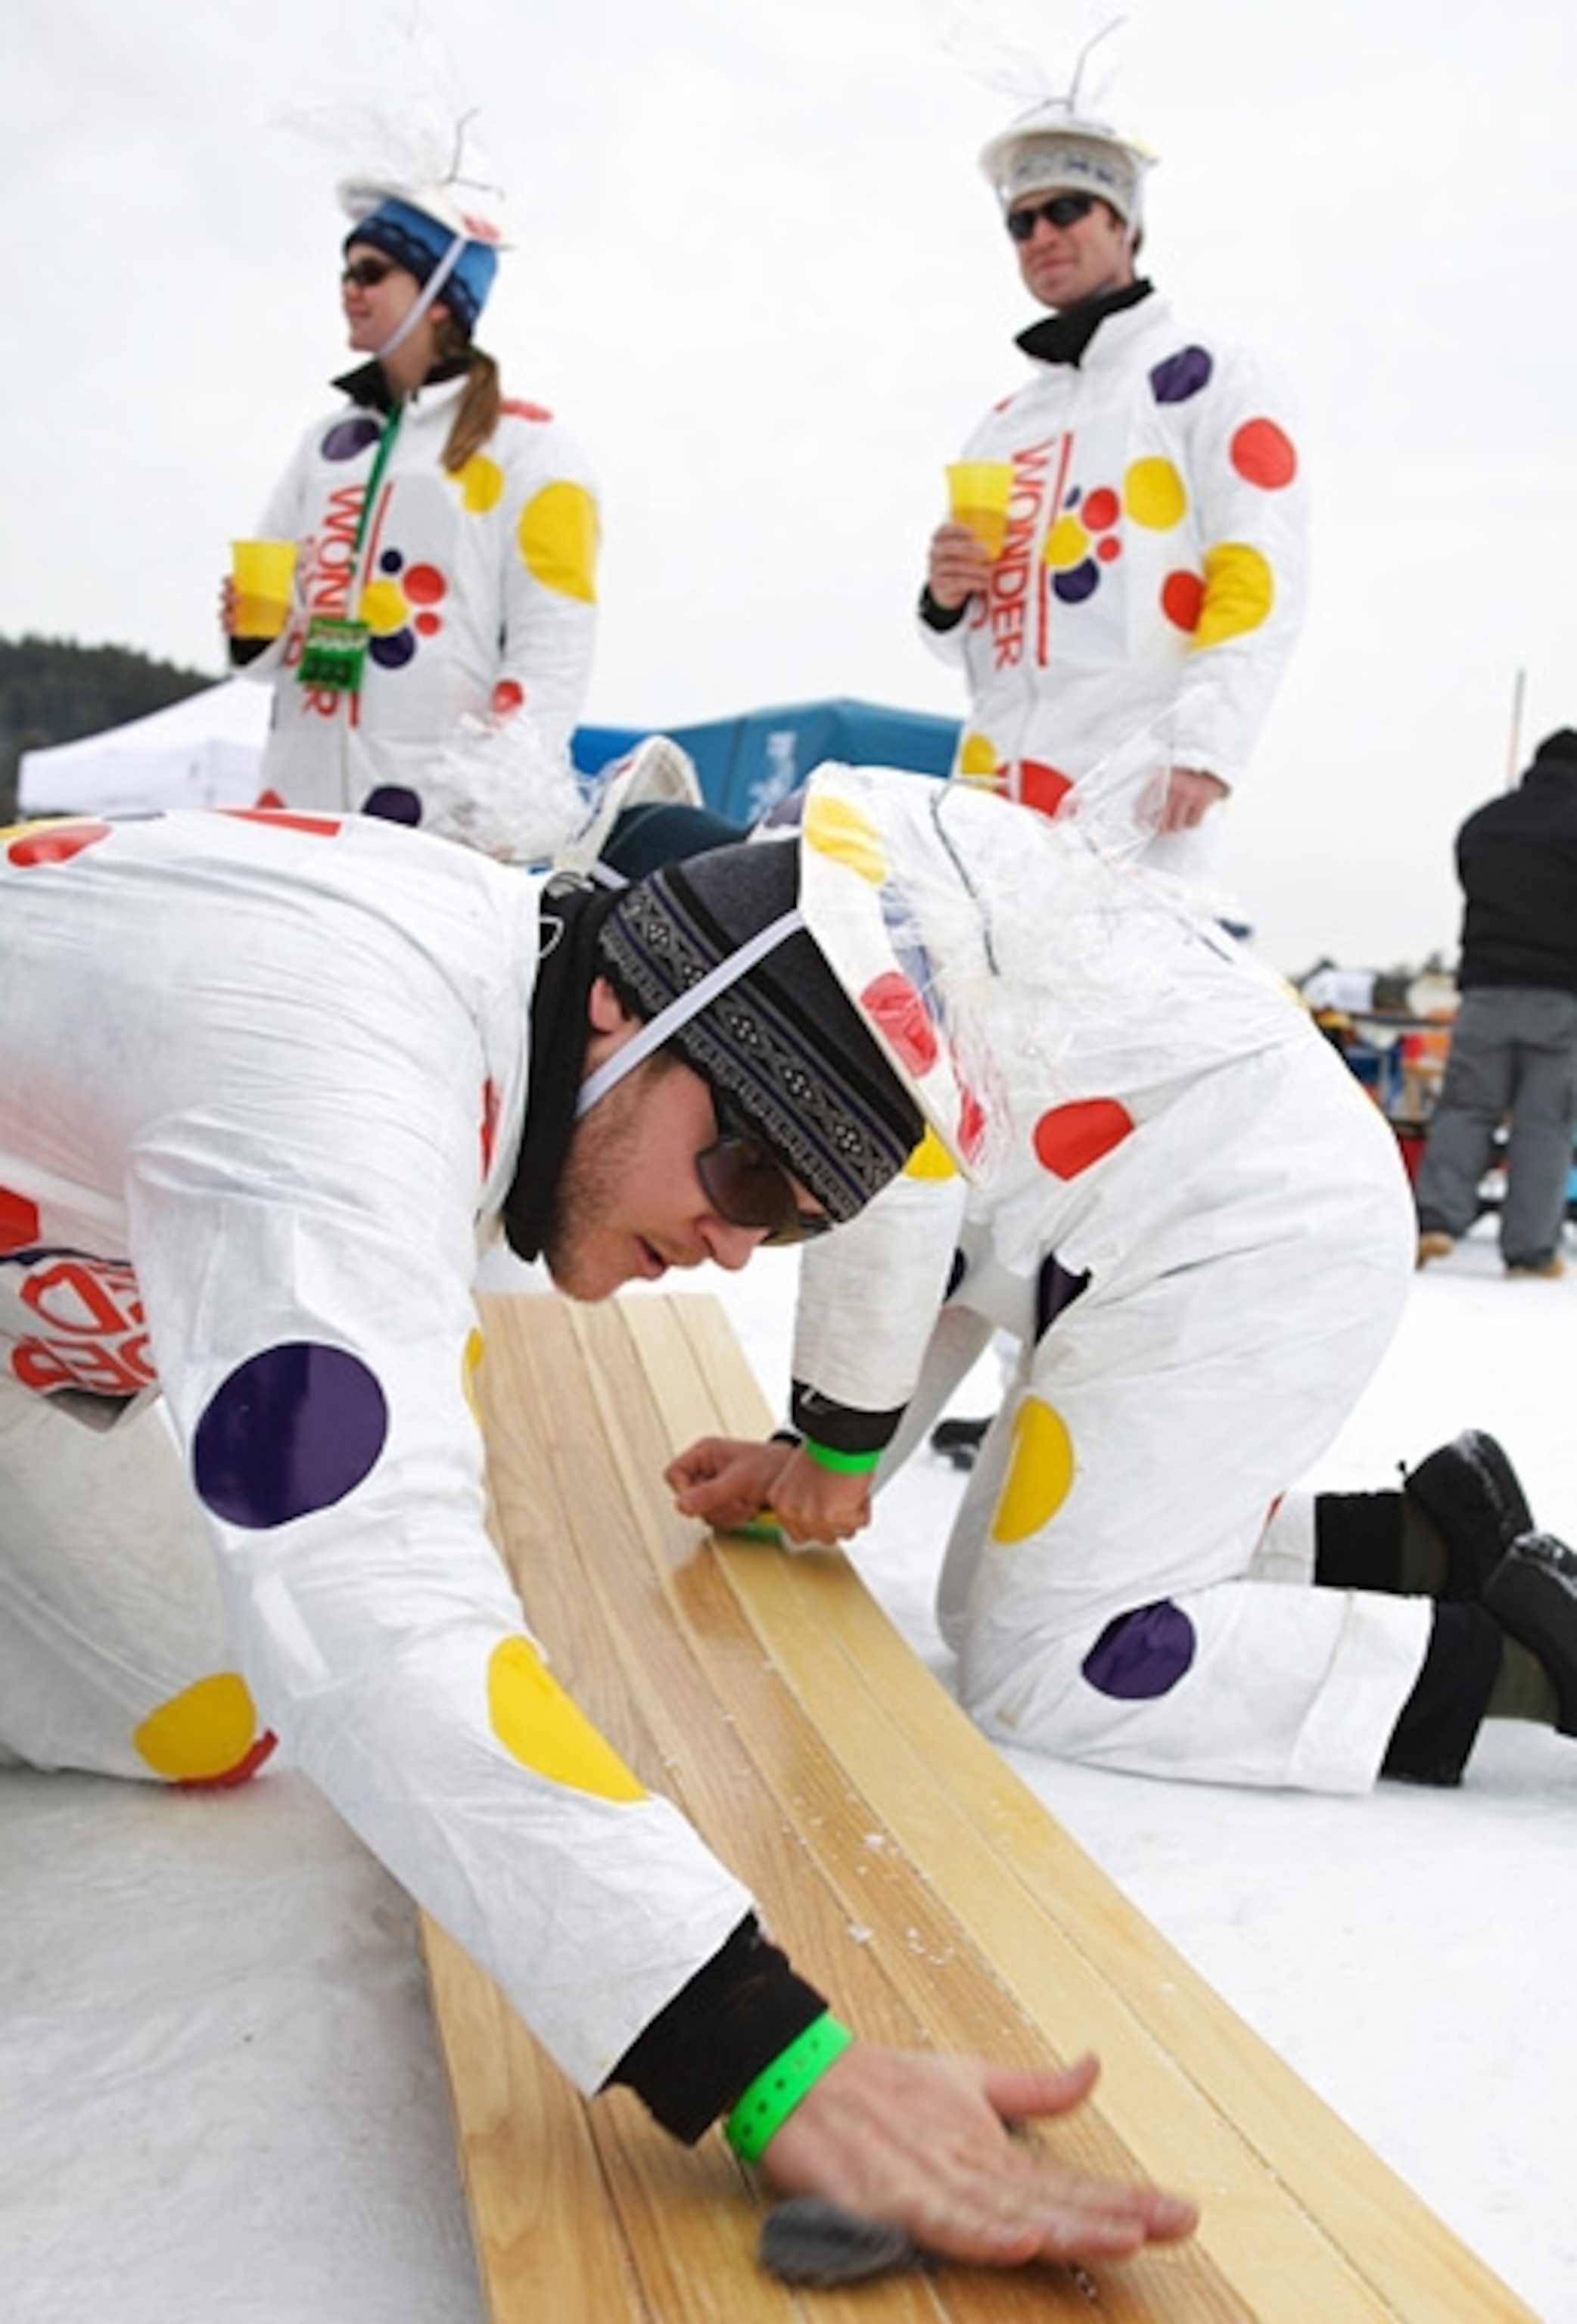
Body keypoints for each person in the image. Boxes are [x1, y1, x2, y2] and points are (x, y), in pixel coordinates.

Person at [0, 794, 1194, 2274]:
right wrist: (762, 2055)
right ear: (632, 1008)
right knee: (310, 1630)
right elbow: (362, 1584)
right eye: (747, 1171)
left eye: (796, 1219)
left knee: (194, 1698)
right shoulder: (348, 1062)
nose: (739, 1245)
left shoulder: (478, 977)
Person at [666, 766, 1577, 1797]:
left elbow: (906, 1207)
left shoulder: (823, 953)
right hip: (1218, 1212)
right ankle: (1427, 1542)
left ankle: (1535, 1664)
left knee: (1054, 1662)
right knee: (985, 1600)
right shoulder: (861, 886)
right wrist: (818, 1461)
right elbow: (945, 1264)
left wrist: (832, 1452)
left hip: (1245, 1231)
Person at [224, 167, 734, 875]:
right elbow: (265, 648)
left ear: (437, 298)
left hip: (430, 840)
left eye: (371, 271)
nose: (349, 288)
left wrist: (491, 821)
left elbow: (552, 647)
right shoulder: (324, 445)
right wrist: (254, 629)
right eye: (344, 271)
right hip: (293, 824)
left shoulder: (531, 448)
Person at [920, 95, 1308, 891]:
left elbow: (1258, 565)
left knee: (1122, 1007)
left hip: (1134, 792)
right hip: (991, 799)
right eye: (1020, 222)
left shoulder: (1209, 374)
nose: (1042, 235)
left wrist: (1204, 746)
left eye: (1066, 208)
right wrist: (943, 596)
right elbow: (973, 647)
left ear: (1125, 222)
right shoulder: (1001, 424)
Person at [1414, 728, 1577, 1279]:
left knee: (1465, 1107)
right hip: (1563, 998)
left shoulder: (1487, 822)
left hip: (1484, 991)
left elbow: (1471, 880)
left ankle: (1433, 1221)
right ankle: (1530, 1252)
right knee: (1545, 1123)